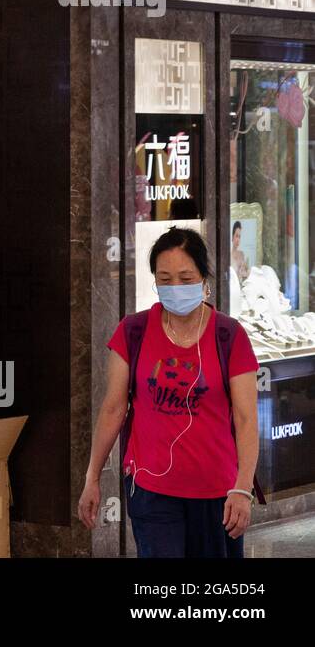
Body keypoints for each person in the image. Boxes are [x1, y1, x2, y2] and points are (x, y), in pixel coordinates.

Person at [78, 227, 260, 557]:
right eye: (164, 278)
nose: (175, 287)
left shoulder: (228, 335)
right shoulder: (132, 331)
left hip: (217, 494)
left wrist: (243, 488)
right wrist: (92, 478)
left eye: (185, 277)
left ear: (204, 278)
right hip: (152, 491)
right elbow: (113, 409)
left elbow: (247, 419)